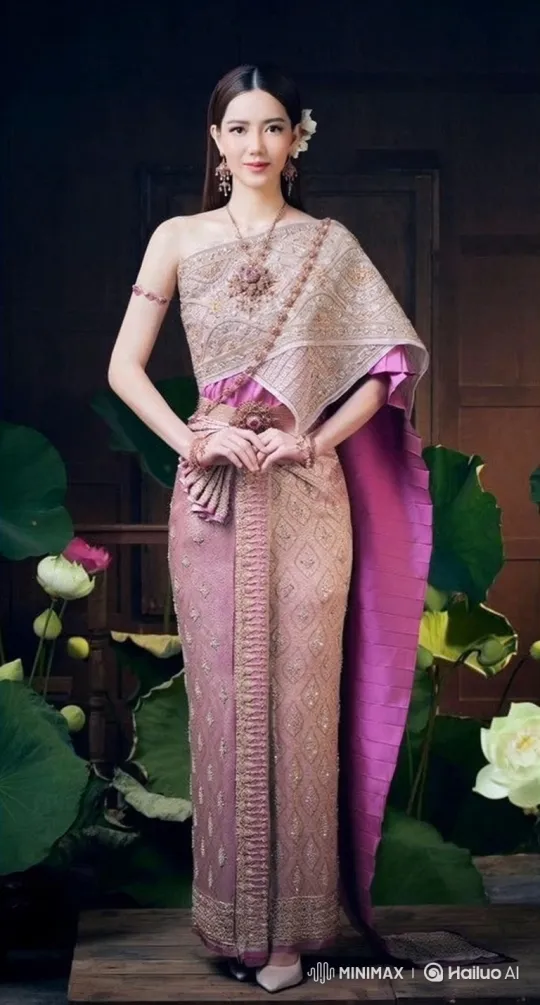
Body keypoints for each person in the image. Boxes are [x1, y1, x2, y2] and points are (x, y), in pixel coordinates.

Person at [108, 64, 432, 994]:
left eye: (274, 127)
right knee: (222, 703)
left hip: (306, 497)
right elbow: (125, 367)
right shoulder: (177, 237)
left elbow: (387, 366)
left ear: (299, 139)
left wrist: (310, 440)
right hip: (210, 499)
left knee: (301, 703)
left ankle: (294, 934)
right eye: (238, 127)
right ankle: (233, 923)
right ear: (215, 141)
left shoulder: (329, 246)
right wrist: (193, 436)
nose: (256, 144)